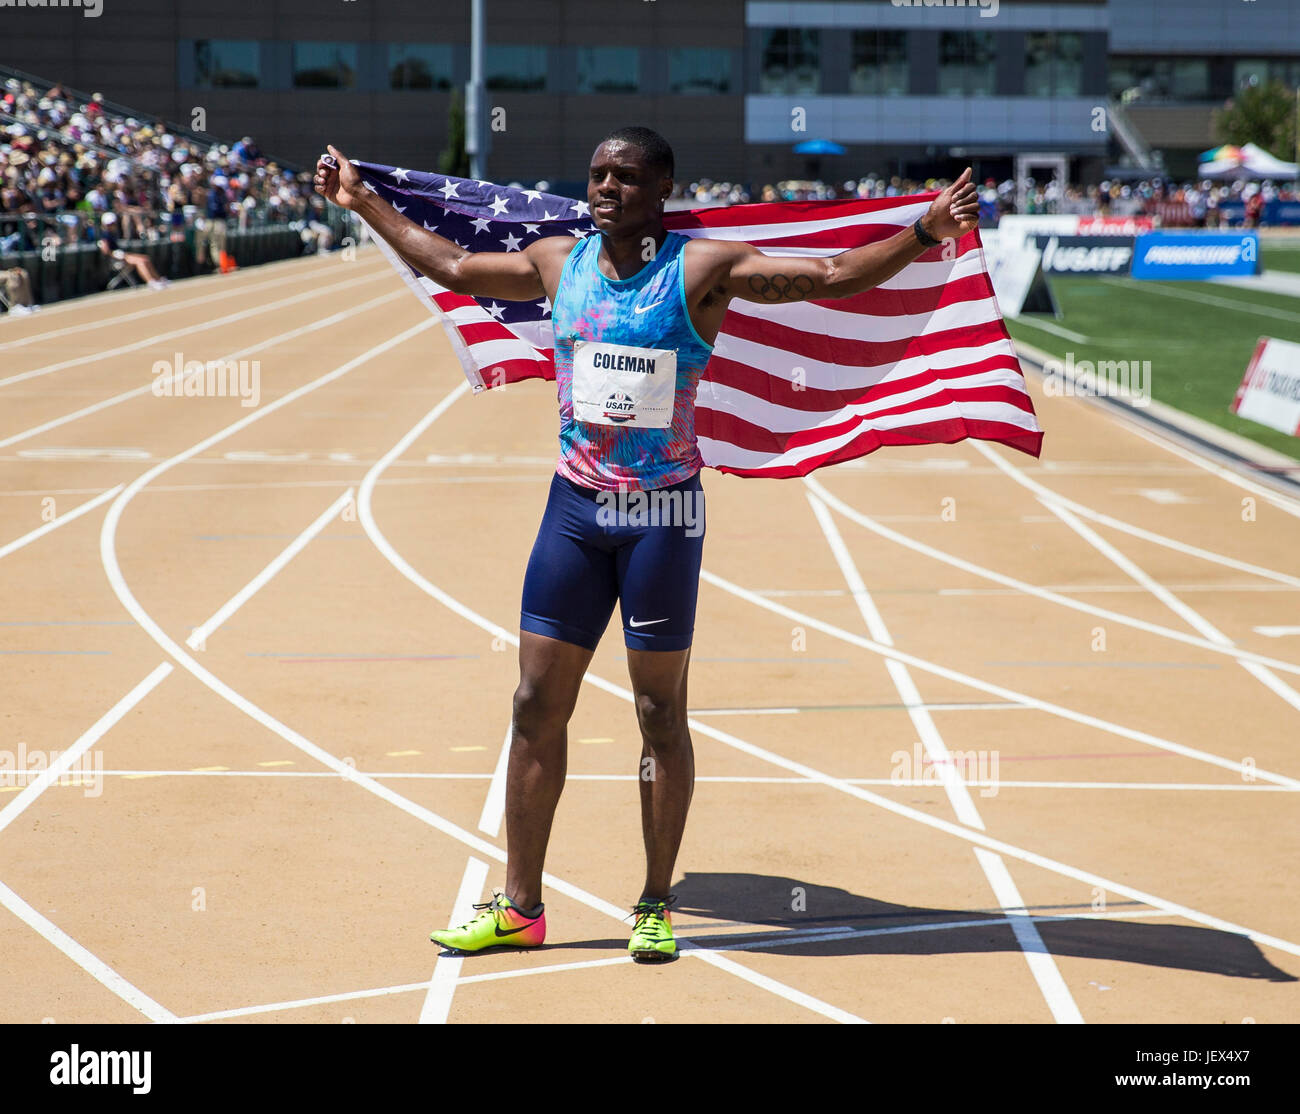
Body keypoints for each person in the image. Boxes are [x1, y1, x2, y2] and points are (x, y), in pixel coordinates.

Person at [314, 128, 978, 962]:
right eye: (596, 174)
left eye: (626, 177)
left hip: (663, 516)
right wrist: (361, 200)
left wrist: (925, 232)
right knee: (532, 705)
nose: (606, 188)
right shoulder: (559, 262)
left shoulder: (702, 270)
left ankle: (655, 901)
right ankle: (521, 906)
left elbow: (832, 278)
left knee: (660, 713)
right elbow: (450, 266)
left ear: (662, 188)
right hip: (576, 510)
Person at [96, 212, 169, 289]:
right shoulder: (104, 235)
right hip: (116, 260)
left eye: (112, 223)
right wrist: (116, 255)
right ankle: (151, 282)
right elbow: (105, 250)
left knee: (145, 258)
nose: (112, 225)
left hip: (122, 256)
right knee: (140, 261)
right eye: (110, 224)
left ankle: (158, 279)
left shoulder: (112, 233)